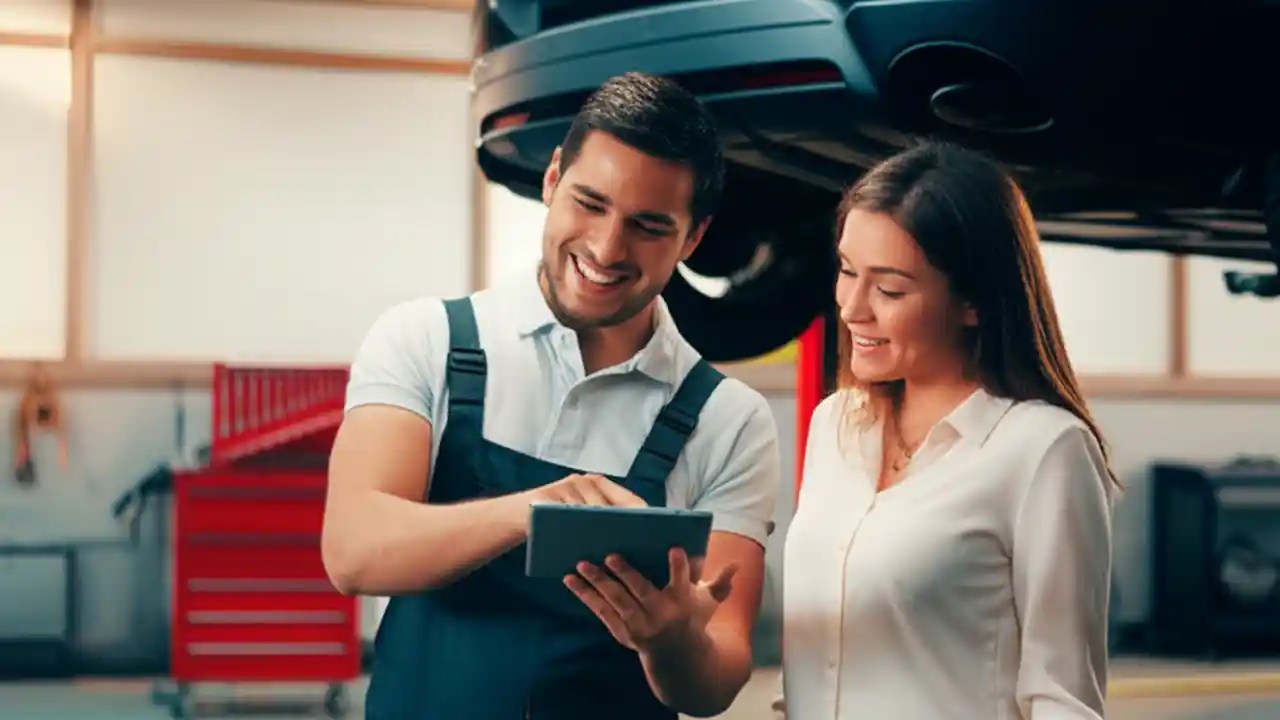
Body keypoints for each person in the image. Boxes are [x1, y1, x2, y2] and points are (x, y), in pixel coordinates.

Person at [322, 71, 781, 720]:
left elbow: (716, 679)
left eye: (648, 225)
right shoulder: (426, 339)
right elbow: (353, 550)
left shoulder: (727, 420)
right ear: (551, 180)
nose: (605, 247)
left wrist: (671, 642)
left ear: (694, 237)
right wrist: (536, 511)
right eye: (589, 203)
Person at [779, 141, 1119, 719]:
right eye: (845, 271)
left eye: (889, 289)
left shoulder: (1044, 450)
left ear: (974, 302)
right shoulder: (835, 425)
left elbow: (1064, 701)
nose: (852, 308)